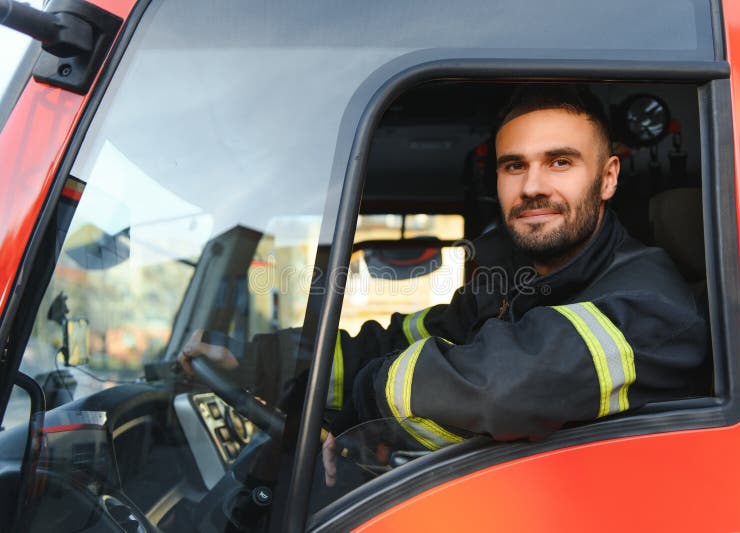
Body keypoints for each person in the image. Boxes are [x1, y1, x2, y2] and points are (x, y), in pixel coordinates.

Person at [181, 86, 708, 485]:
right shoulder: (513, 282)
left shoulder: (650, 308)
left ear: (609, 176)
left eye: (560, 162)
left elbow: (501, 386)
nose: (532, 187)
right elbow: (401, 341)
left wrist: (355, 419)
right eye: (513, 166)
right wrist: (256, 364)